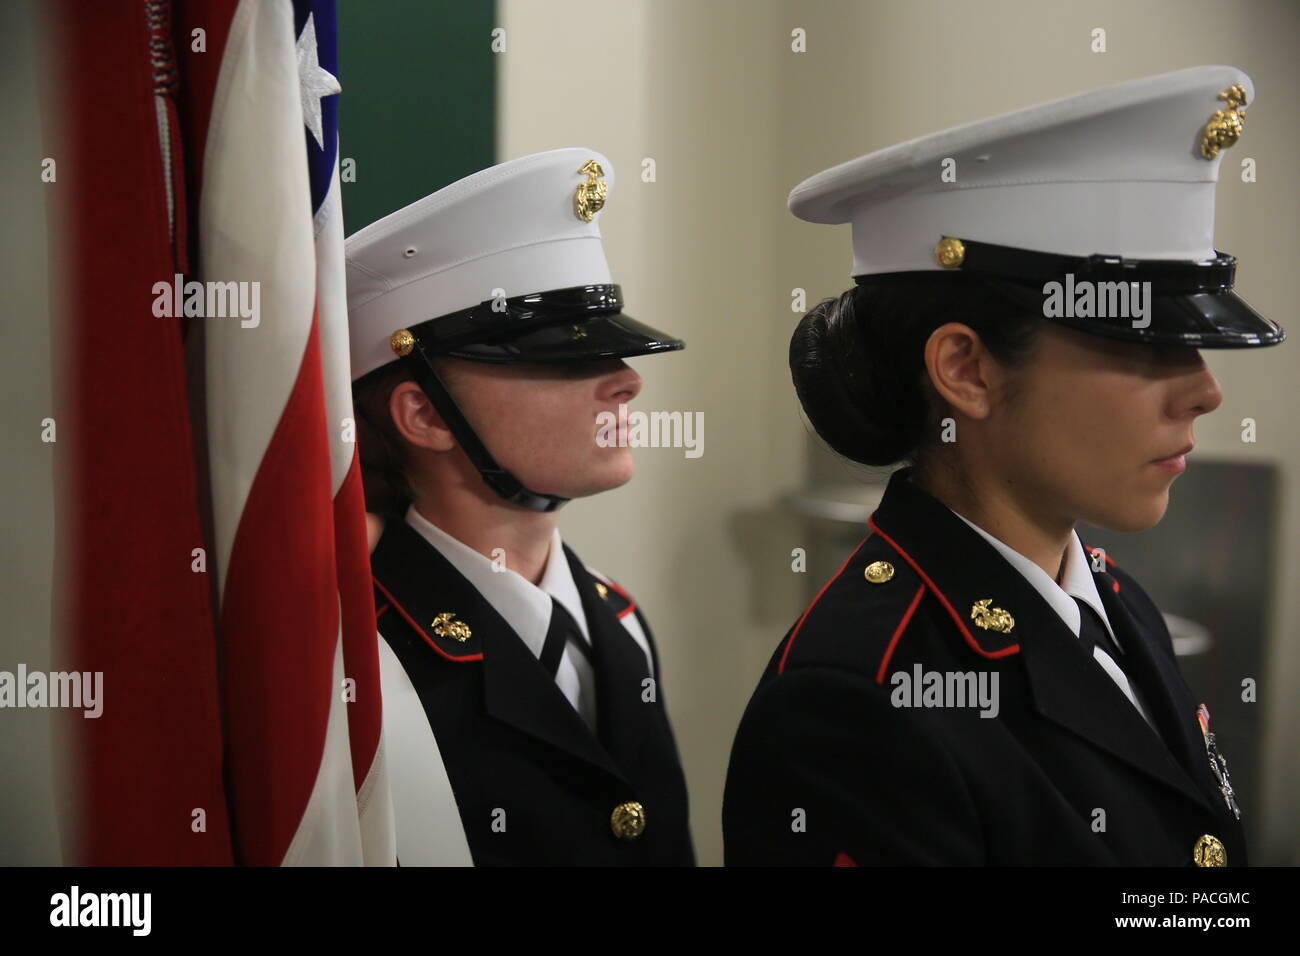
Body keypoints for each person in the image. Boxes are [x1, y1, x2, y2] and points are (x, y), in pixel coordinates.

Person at [723, 66, 1283, 866]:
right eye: (1146, 343)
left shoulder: (1119, 606)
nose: (1206, 390)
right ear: (968, 371)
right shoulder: (857, 703)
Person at [347, 148, 694, 865]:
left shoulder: (619, 623)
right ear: (425, 415)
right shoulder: (359, 656)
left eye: (613, 352)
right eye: (568, 361)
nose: (627, 381)